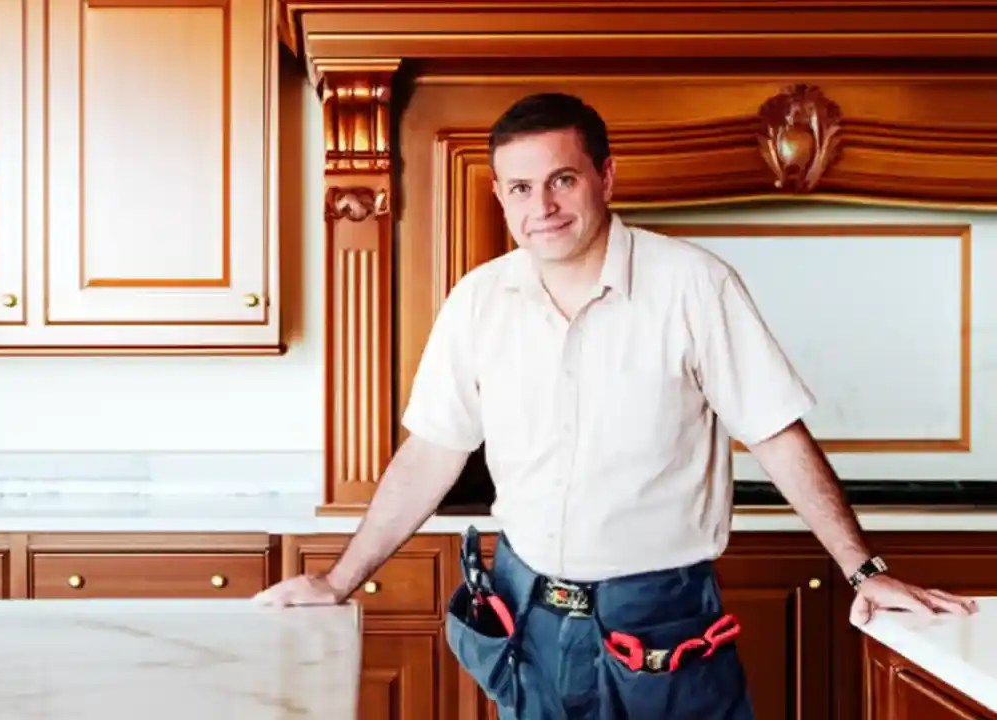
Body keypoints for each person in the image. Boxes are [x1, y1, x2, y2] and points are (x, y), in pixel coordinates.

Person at [254, 92, 978, 719]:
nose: (542, 207)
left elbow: (776, 434)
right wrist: (339, 579)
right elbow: (431, 452)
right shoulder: (477, 301)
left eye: (562, 179)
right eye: (520, 187)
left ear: (605, 176)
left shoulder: (694, 286)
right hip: (525, 610)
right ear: (501, 196)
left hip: (661, 616)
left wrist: (863, 570)